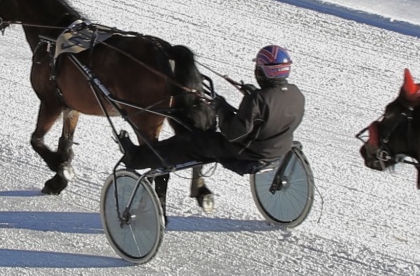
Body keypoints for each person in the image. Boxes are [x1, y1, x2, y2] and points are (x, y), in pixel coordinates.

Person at [121, 45, 305, 196]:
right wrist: (252, 97)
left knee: (189, 141)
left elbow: (233, 134)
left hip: (245, 152)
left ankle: (136, 158)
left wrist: (221, 108)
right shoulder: (296, 94)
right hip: (278, 148)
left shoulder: (257, 99)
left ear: (261, 71)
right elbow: (272, 114)